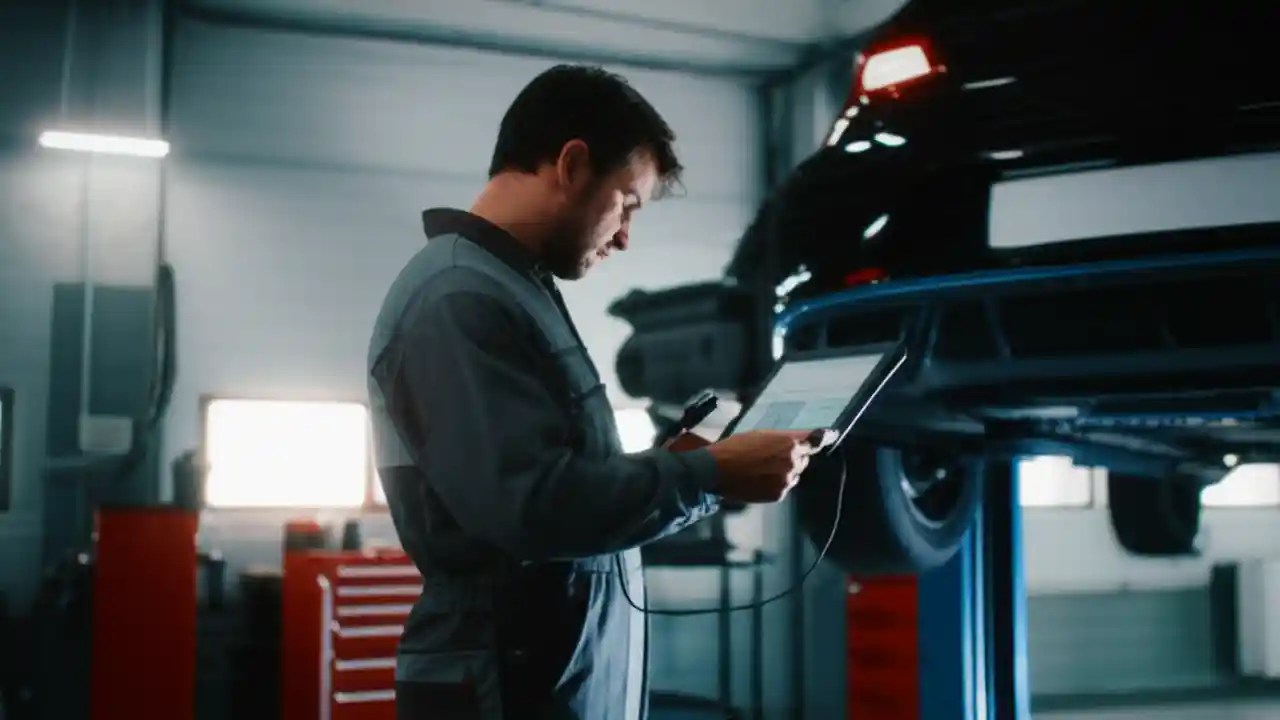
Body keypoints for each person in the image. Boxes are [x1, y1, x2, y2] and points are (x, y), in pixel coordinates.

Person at [367, 64, 818, 720]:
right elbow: (531, 508)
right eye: (627, 203)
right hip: (504, 682)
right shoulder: (457, 298)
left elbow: (558, 481)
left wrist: (689, 460)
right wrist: (707, 475)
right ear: (571, 165)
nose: (627, 236)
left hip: (544, 672)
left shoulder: (511, 289)